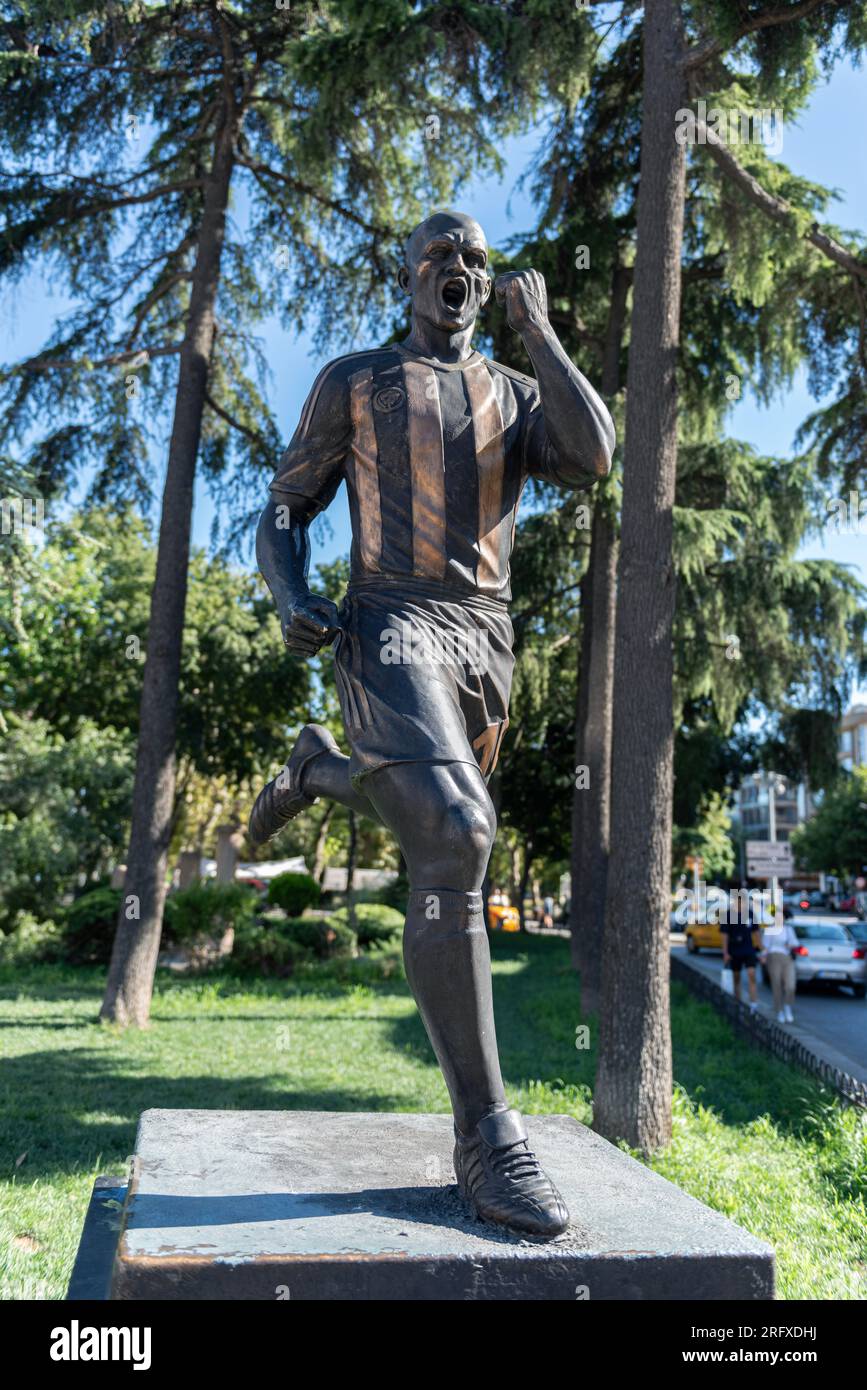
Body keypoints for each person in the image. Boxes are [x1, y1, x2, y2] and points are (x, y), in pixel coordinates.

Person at [248, 210, 614, 1239]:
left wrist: (539, 333)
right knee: (456, 834)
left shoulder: (515, 390)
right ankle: (487, 1133)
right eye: (439, 255)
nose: (456, 268)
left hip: (486, 641)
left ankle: (316, 769)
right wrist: (289, 594)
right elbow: (284, 504)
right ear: (407, 277)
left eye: (475, 259)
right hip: (390, 621)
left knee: (434, 825)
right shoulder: (355, 382)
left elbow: (594, 456)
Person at [720, 901, 761, 1012]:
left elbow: (756, 932)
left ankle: (753, 1004)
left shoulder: (750, 914)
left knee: (751, 974)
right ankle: (738, 1002)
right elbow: (724, 935)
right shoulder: (728, 915)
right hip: (734, 951)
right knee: (736, 978)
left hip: (748, 950)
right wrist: (725, 953)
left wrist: (761, 950)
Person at [760, 906, 798, 1023]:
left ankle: (787, 1006)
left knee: (790, 985)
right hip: (774, 957)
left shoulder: (788, 929)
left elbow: (795, 942)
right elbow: (765, 946)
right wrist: (763, 956)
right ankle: (779, 1010)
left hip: (786, 957)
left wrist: (790, 945)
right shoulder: (770, 930)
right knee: (776, 984)